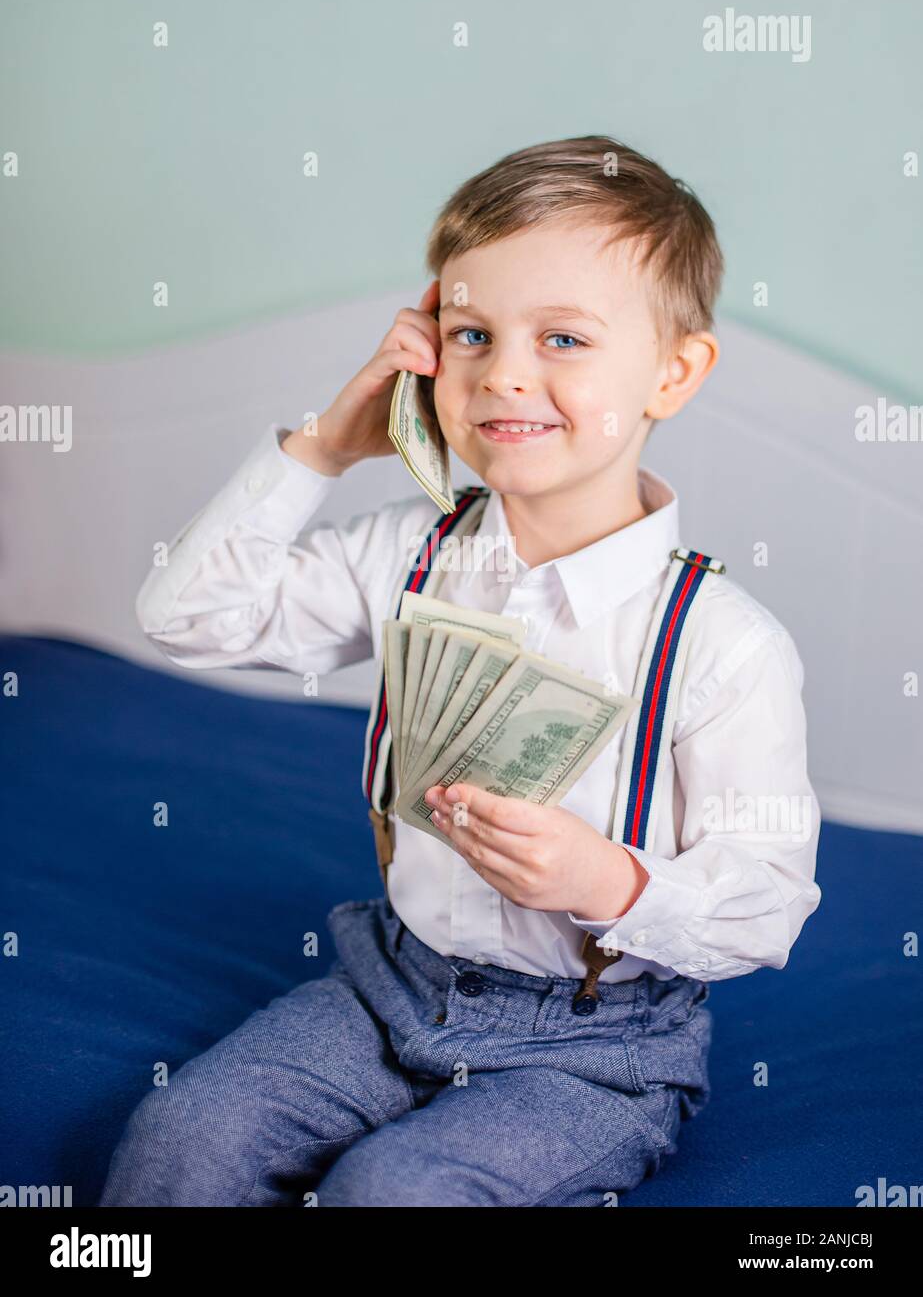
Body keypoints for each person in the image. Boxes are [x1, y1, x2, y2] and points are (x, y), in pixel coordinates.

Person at [99, 135, 821, 1207]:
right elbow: (190, 617)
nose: (503, 374)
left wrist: (603, 881)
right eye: (470, 332)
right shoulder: (409, 552)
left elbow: (764, 902)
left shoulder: (720, 642)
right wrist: (324, 450)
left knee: (398, 1192)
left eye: (564, 338)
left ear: (672, 371)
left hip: (592, 1044)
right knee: (183, 1136)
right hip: (384, 980)